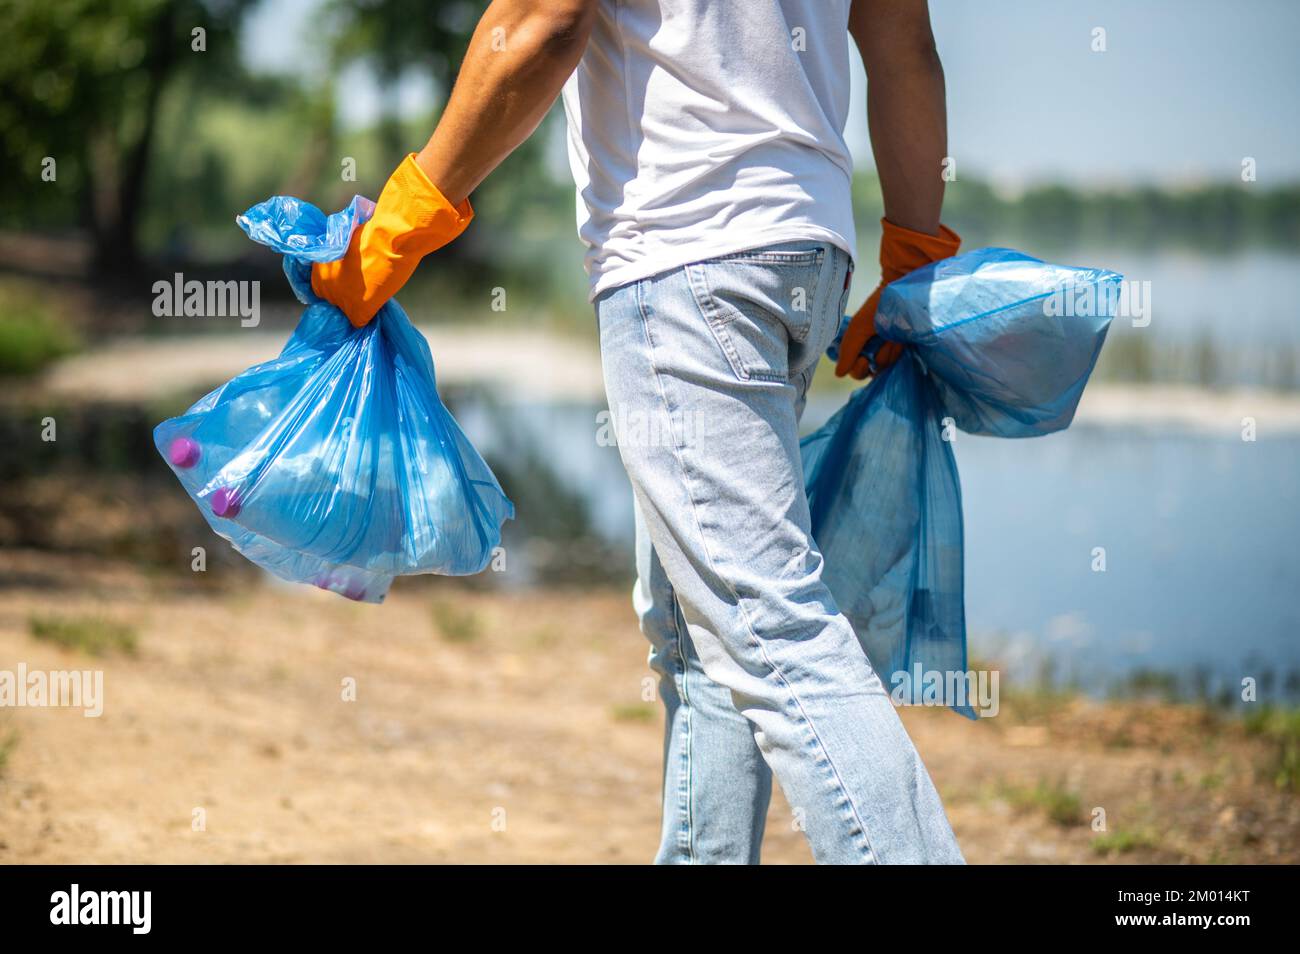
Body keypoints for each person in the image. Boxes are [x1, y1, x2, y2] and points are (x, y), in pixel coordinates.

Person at [312, 0, 964, 865]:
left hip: (687, 249)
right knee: (701, 635)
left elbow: (547, 20)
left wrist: (402, 221)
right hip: (807, 249)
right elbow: (903, 43)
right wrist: (916, 246)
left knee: (770, 623)